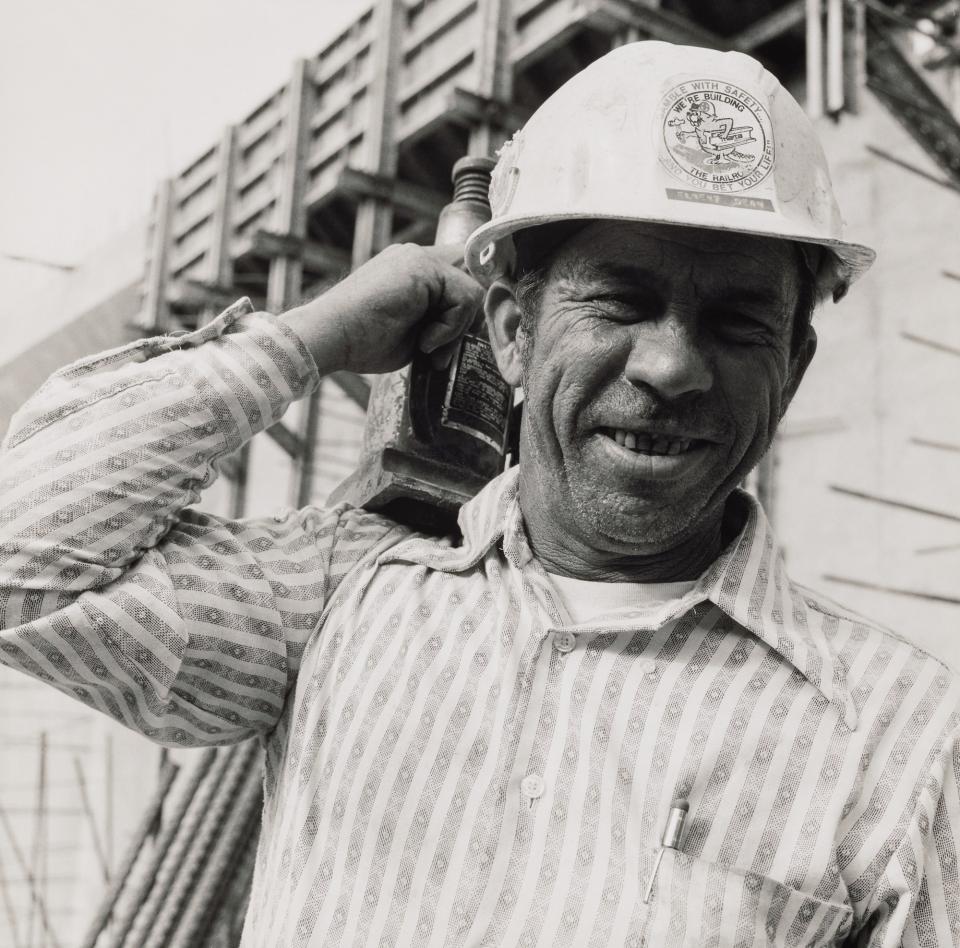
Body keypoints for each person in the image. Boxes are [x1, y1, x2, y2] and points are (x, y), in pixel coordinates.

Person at [1, 40, 958, 948]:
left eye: (739, 323)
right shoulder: (337, 600)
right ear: (510, 331)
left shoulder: (899, 734)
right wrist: (309, 337)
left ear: (791, 366)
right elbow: (22, 563)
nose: (671, 366)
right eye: (619, 302)